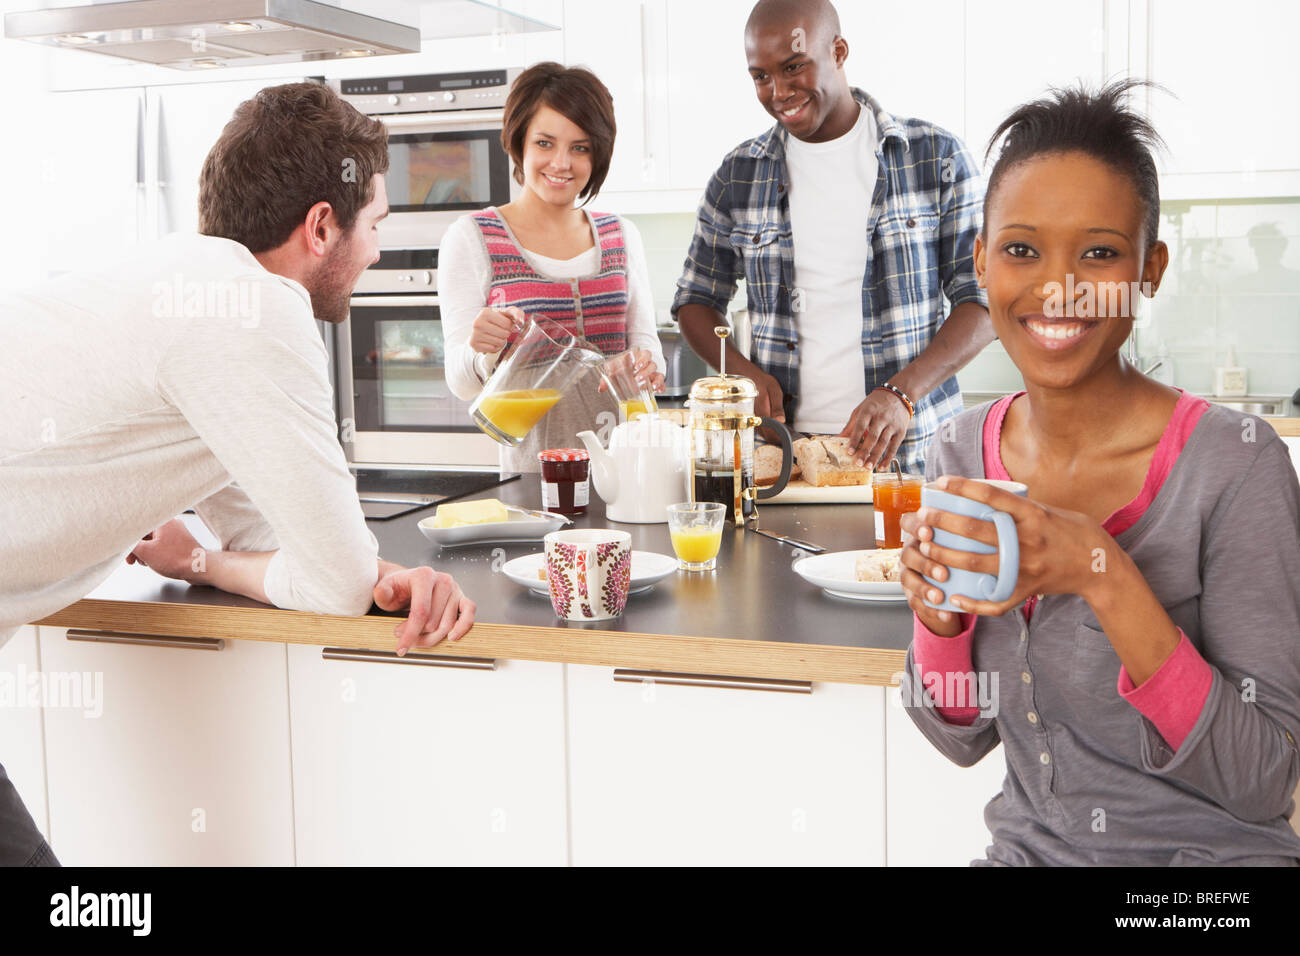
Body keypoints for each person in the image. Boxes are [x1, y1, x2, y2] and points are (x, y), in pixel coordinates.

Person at [0, 82, 478, 865]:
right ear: (323, 225)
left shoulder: (187, 283)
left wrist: (375, 571)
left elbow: (261, 522)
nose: (380, 250)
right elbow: (329, 585)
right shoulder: (252, 312)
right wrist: (318, 569)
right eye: (379, 225)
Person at [898, 80, 1300, 865]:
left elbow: (1264, 781)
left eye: (1100, 253)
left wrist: (1100, 570)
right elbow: (960, 735)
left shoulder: (1237, 466)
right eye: (1021, 250)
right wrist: (938, 621)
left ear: (1149, 268)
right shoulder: (956, 452)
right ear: (981, 262)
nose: (1059, 287)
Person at [672, 0, 992, 475]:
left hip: (911, 461)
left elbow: (985, 301)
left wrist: (901, 393)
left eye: (794, 67)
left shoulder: (933, 158)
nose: (778, 92)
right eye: (760, 76)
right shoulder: (738, 176)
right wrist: (742, 373)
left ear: (839, 51)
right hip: (786, 461)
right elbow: (695, 300)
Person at [440, 62, 666, 474]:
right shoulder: (472, 237)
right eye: (545, 143)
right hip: (534, 479)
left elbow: (647, 347)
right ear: (519, 141)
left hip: (628, 474)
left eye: (580, 147)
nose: (561, 163)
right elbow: (460, 379)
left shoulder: (622, 234)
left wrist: (646, 364)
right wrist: (482, 352)